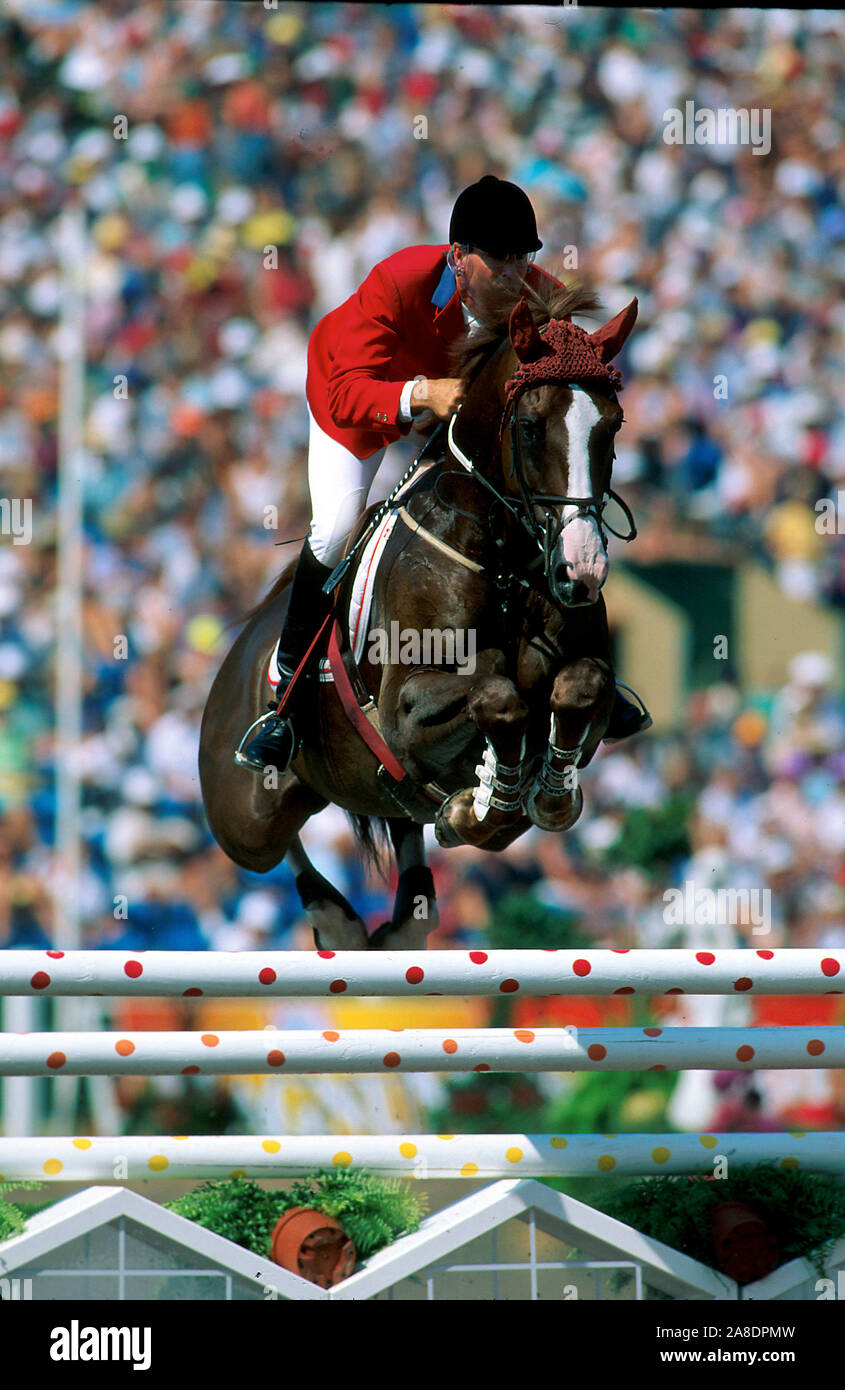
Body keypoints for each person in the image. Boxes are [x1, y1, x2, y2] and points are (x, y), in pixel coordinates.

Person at [238, 175, 649, 773]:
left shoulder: (534, 294)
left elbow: (573, 371)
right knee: (333, 529)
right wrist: (421, 394)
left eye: (522, 259)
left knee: (544, 517)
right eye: (498, 261)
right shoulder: (398, 281)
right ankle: (286, 692)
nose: (514, 276)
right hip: (361, 403)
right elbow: (347, 390)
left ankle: (594, 674)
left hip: (451, 419)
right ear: (458, 257)